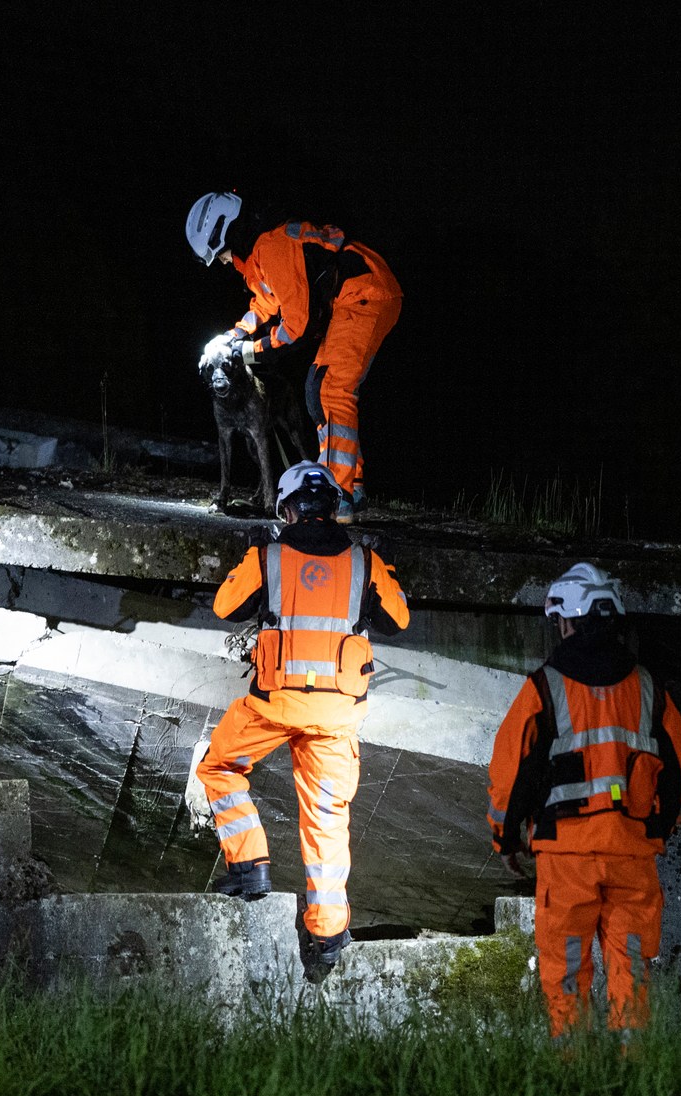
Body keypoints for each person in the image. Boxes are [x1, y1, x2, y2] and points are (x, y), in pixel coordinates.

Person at [194, 461, 410, 978]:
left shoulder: (268, 555)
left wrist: (253, 551)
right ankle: (327, 938)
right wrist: (382, 564)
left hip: (272, 706)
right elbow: (399, 619)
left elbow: (225, 607)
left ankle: (249, 868)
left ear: (286, 510)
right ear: (333, 507)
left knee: (220, 769)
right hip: (336, 718)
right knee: (328, 821)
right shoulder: (365, 561)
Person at [486, 563, 681, 1040]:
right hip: (633, 855)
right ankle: (634, 1082)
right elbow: (678, 769)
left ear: (567, 619)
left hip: (566, 857)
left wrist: (506, 838)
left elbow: (510, 773)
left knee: (565, 977)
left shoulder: (544, 687)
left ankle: (574, 1078)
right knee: (632, 975)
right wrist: (657, 831)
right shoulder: (648, 687)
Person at [185, 191, 403, 523]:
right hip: (360, 295)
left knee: (329, 389)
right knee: (319, 388)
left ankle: (337, 497)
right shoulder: (260, 254)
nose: (224, 261)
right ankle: (352, 491)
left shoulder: (273, 248)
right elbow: (266, 306)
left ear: (225, 231)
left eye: (221, 254)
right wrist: (232, 335)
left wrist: (249, 351)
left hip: (365, 293)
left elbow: (296, 328)